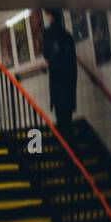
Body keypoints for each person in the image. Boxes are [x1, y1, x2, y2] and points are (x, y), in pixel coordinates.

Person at [42, 9, 77, 138]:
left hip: (57, 82)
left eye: (48, 15)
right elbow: (73, 64)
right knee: (68, 121)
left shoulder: (48, 33)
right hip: (69, 84)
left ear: (51, 16)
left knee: (61, 122)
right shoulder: (68, 36)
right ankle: (72, 152)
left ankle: (67, 152)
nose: (47, 18)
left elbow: (46, 54)